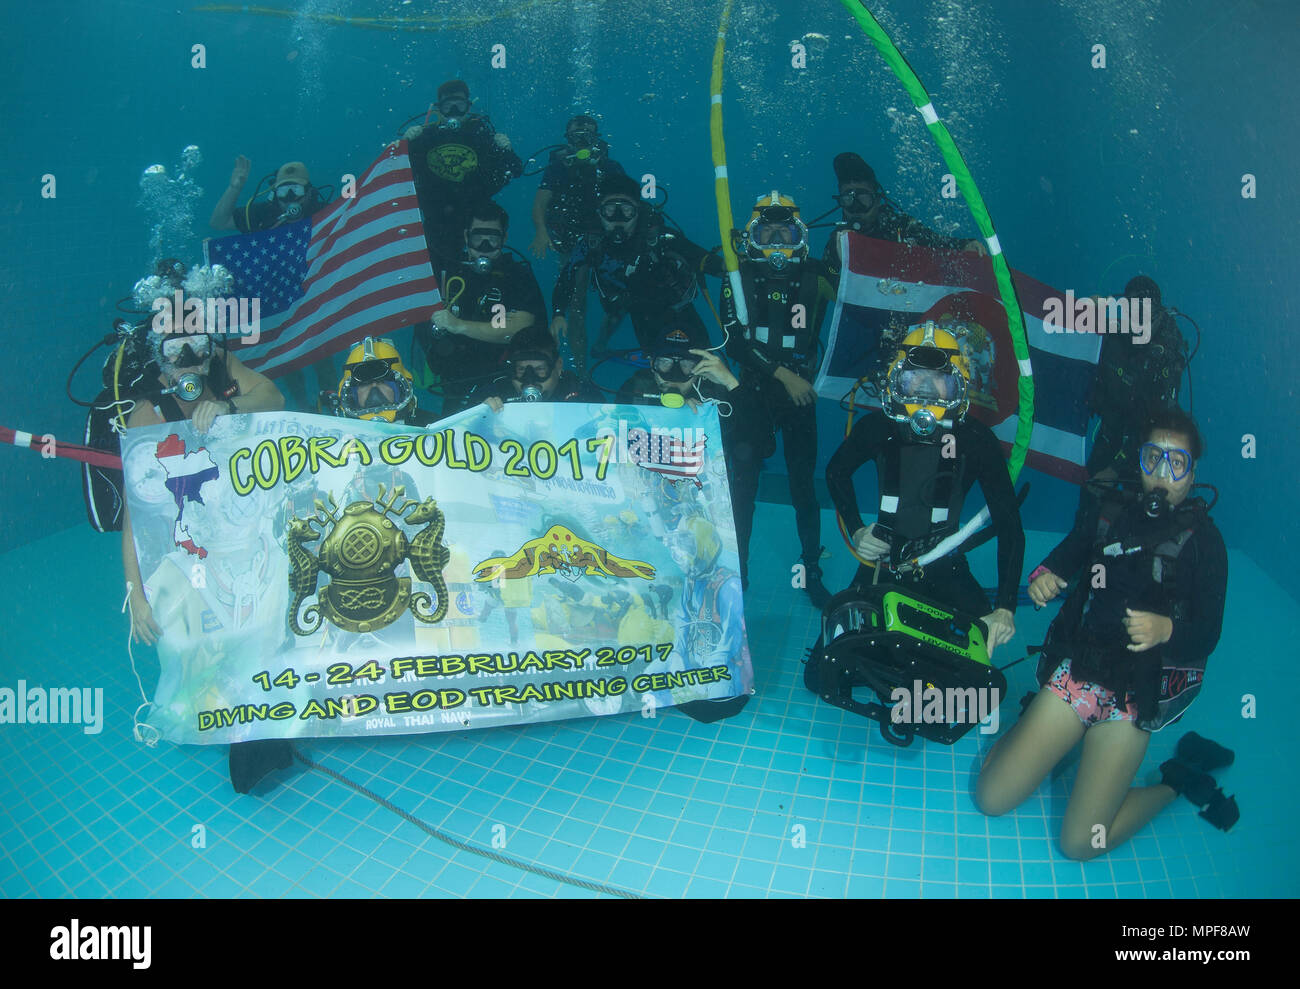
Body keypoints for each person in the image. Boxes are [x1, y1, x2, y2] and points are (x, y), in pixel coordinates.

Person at [975, 409, 1235, 857]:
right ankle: (1044, 732)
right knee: (990, 798)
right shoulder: (1110, 509)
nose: (1162, 474)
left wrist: (1167, 628)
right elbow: (1074, 548)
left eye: (1177, 464)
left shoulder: (1205, 545)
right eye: (1153, 458)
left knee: (1080, 843)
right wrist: (1048, 573)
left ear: (1192, 476)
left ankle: (1174, 784)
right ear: (1139, 462)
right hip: (1079, 672)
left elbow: (1208, 633)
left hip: (1136, 697)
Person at [118, 270, 288, 795]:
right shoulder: (147, 413)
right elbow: (135, 515)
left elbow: (276, 399)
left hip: (251, 538)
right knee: (207, 647)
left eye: (196, 346)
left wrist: (230, 407)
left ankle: (266, 730)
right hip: (194, 550)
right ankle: (242, 730)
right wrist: (137, 594)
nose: (187, 360)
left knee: (268, 633)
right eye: (175, 350)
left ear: (211, 346)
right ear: (159, 357)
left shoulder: (227, 373)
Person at [814, 320, 1023, 680]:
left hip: (947, 568)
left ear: (959, 386)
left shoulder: (976, 439)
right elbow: (836, 472)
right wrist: (857, 531)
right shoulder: (878, 427)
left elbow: (1010, 528)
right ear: (896, 382)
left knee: (973, 679)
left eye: (938, 382)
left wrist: (1005, 609)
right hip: (884, 565)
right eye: (914, 381)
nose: (925, 394)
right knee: (824, 675)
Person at [721, 191, 837, 608]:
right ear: (750, 237)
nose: (775, 242)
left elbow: (857, 307)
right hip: (755, 391)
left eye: (784, 232)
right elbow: (734, 342)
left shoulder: (819, 275)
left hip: (801, 394)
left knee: (804, 485)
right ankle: (739, 571)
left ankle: (811, 568)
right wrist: (782, 373)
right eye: (765, 232)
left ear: (799, 235)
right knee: (744, 482)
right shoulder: (737, 277)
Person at [617, 324, 772, 587]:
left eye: (687, 365)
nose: (675, 375)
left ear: (700, 367)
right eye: (665, 363)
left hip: (710, 505)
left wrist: (732, 383)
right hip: (660, 501)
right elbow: (612, 443)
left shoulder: (717, 396)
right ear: (652, 363)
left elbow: (766, 446)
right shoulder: (636, 390)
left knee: (726, 576)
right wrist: (665, 414)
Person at [551, 173, 724, 370]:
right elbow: (567, 276)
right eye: (609, 210)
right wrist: (558, 313)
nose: (618, 219)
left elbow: (699, 257)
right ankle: (602, 344)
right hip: (634, 309)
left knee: (703, 361)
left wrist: (728, 270)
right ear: (599, 213)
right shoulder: (591, 243)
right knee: (657, 364)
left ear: (638, 212)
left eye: (626, 210)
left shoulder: (659, 237)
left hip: (674, 307)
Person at [209, 158, 334, 411]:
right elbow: (218, 222)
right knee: (285, 355)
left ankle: (330, 404)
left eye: (296, 191)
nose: (290, 198)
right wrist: (235, 186)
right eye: (283, 191)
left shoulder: (323, 210)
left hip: (313, 292)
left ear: (308, 192)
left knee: (323, 353)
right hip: (275, 296)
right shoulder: (262, 213)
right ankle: (301, 406)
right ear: (273, 193)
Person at [414, 201, 546, 415]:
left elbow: (517, 330)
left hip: (503, 378)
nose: (484, 245)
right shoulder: (447, 272)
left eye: (492, 238)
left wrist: (458, 326)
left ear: (504, 239)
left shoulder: (517, 276)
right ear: (466, 237)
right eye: (478, 238)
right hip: (455, 381)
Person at [404, 80, 523, 271]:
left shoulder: (481, 135)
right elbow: (397, 170)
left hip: (476, 222)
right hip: (437, 221)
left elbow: (516, 170)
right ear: (439, 108)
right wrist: (404, 145)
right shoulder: (426, 137)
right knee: (436, 271)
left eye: (459, 105)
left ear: (469, 106)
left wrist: (506, 149)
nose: (453, 110)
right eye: (448, 105)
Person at [821, 152, 985, 280]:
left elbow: (935, 241)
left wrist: (964, 245)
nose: (856, 207)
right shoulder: (837, 239)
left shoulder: (899, 224)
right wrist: (837, 258)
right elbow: (829, 273)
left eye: (863, 198)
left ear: (877, 201)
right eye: (848, 199)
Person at [1086, 275, 1188, 476]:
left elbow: (1159, 421)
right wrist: (1086, 313)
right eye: (1132, 305)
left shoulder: (1165, 352)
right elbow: (1079, 352)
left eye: (1144, 306)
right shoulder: (1116, 337)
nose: (1139, 312)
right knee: (1091, 491)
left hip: (1149, 449)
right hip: (1111, 432)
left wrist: (1115, 469)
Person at [530, 114, 627, 260]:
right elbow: (540, 203)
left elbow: (628, 201)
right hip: (568, 230)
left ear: (595, 139)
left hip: (603, 228)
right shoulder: (556, 168)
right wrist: (541, 232)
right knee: (570, 269)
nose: (582, 141)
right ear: (568, 139)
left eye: (587, 136)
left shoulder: (610, 167)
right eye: (576, 136)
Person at [475, 324, 603, 409]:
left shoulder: (583, 396)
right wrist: (480, 416)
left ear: (558, 366)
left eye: (540, 369)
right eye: (521, 370)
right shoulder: (495, 393)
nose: (530, 381)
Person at [331, 335, 436, 427]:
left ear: (402, 387)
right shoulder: (335, 436)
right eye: (365, 384)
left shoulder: (436, 428)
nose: (374, 389)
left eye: (383, 382)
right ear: (350, 394)